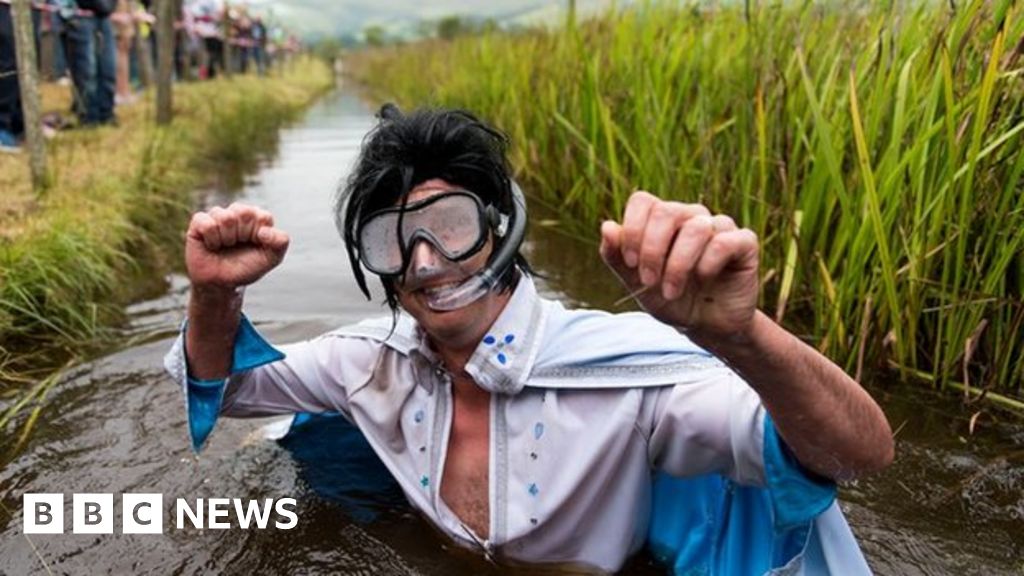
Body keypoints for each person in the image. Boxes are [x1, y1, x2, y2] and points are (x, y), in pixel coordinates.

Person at [165, 105, 893, 574]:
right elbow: (224, 387)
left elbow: (857, 457)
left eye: (450, 225)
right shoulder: (367, 363)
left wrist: (743, 338)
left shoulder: (629, 381)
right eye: (393, 239)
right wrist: (214, 292)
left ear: (500, 228)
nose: (425, 261)